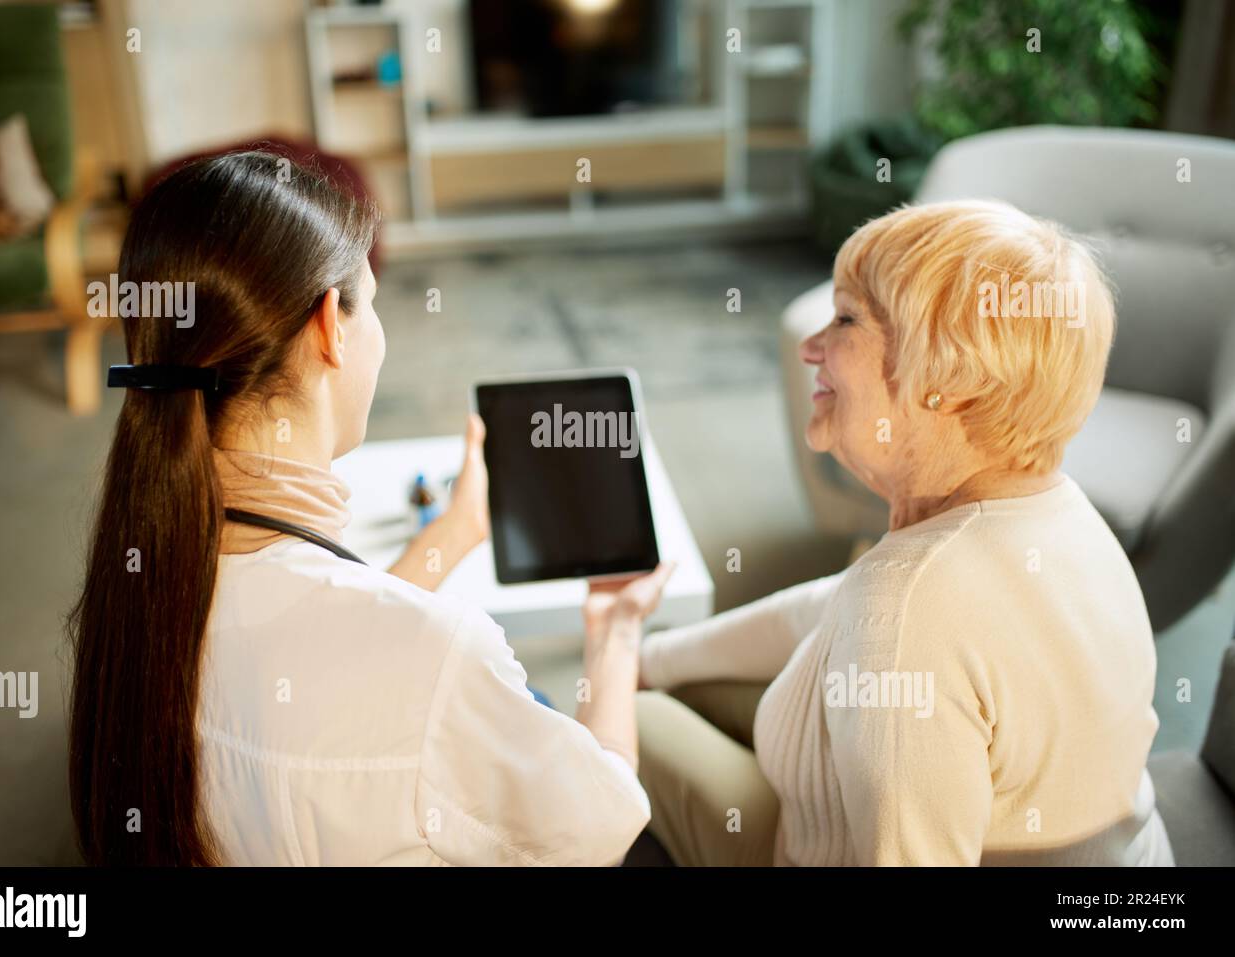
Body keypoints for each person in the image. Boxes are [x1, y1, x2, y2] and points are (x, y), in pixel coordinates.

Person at [67, 151, 672, 866]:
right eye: (373, 301)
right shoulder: (445, 657)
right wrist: (616, 634)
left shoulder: (145, 573)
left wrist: (453, 536)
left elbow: (324, 648)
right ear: (332, 325)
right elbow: (603, 824)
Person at [634, 200, 1175, 866]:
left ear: (949, 377)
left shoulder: (906, 612)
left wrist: (612, 667)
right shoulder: (1059, 516)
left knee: (624, 717)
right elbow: (822, 609)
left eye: (846, 319)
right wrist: (650, 657)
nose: (811, 347)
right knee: (666, 679)